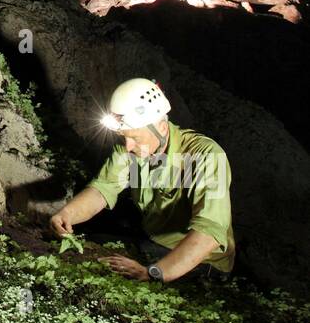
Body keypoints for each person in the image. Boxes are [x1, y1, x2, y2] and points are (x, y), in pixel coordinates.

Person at [50, 78, 235, 285]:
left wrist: (153, 272)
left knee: (107, 268)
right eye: (123, 137)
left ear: (162, 128)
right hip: (153, 241)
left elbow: (209, 233)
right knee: (93, 245)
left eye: (135, 138)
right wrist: (67, 214)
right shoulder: (131, 149)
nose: (127, 146)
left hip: (203, 260)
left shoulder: (204, 156)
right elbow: (104, 188)